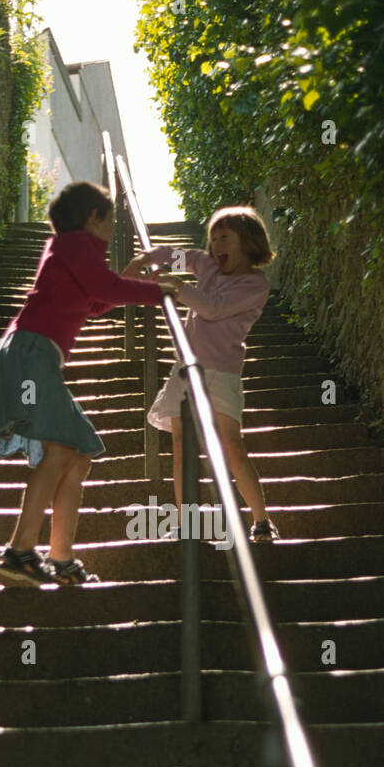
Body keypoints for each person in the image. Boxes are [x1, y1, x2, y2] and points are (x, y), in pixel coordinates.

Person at [0, 180, 178, 586]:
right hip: (30, 353)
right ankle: (20, 552)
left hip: (30, 354)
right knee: (63, 449)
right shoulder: (78, 244)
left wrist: (131, 276)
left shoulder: (68, 248)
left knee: (77, 456)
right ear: (93, 218)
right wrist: (162, 290)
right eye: (110, 221)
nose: (111, 230)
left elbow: (96, 303)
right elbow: (104, 289)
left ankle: (61, 558)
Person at [125, 206, 279, 543]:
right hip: (186, 368)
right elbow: (179, 256)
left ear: (248, 242)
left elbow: (213, 308)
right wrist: (144, 259)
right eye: (213, 238)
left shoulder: (254, 284)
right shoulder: (208, 266)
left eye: (225, 238)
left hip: (222, 372)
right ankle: (185, 522)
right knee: (181, 444)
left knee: (231, 445)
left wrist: (176, 286)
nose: (216, 245)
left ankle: (261, 519)